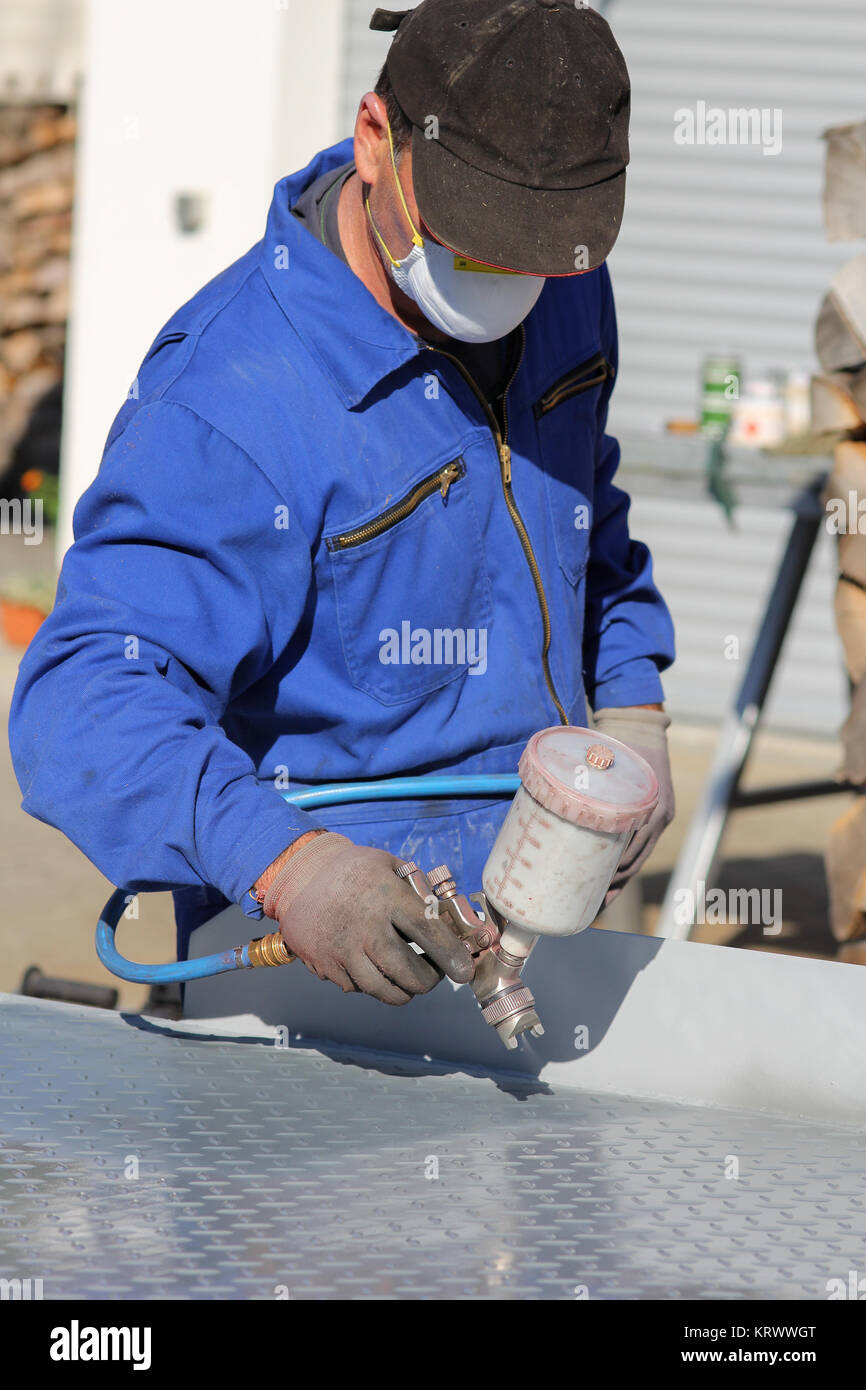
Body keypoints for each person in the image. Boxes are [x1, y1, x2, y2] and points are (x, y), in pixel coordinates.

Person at [10, 0, 675, 1008]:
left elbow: (581, 502)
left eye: (533, 254)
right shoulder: (232, 403)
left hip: (547, 920)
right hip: (328, 969)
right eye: (475, 240)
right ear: (376, 139)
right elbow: (84, 701)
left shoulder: (563, 278)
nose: (504, 284)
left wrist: (630, 704)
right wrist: (291, 867)